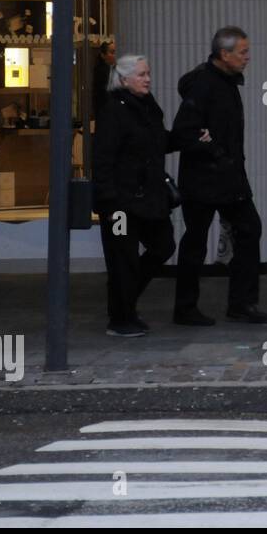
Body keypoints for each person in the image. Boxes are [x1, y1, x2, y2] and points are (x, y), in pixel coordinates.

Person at [172, 26, 267, 325]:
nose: (247, 57)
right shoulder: (206, 86)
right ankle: (190, 307)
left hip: (226, 176)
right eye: (242, 52)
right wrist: (214, 150)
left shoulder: (224, 83)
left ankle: (239, 303)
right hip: (206, 178)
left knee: (247, 230)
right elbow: (184, 132)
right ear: (224, 54)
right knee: (198, 241)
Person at [92, 55, 176, 337]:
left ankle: (126, 302)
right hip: (120, 201)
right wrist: (109, 197)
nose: (147, 78)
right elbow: (103, 157)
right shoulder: (114, 111)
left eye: (148, 73)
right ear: (124, 79)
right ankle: (121, 316)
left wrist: (186, 139)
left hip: (147, 196)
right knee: (121, 259)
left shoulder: (147, 107)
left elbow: (157, 142)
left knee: (163, 245)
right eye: (141, 74)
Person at [92, 40, 116, 120]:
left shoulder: (109, 69)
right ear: (103, 55)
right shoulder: (103, 71)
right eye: (112, 52)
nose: (115, 55)